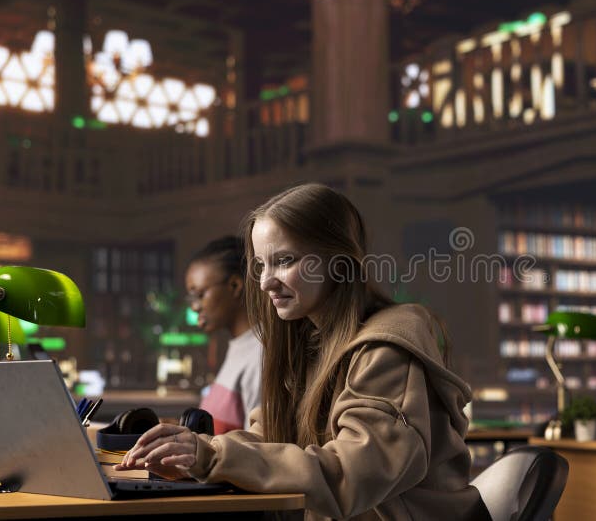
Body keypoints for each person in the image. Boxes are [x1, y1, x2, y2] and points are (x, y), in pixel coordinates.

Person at [118, 183, 489, 520]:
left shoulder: (386, 349)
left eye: (284, 261)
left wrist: (213, 457)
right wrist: (195, 452)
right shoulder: (306, 343)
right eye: (261, 265)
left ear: (338, 261)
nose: (265, 282)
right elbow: (269, 438)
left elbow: (352, 476)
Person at [186, 235, 262, 434]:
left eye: (200, 294)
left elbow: (258, 447)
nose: (194, 307)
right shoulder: (240, 347)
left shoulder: (261, 354)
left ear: (235, 286)